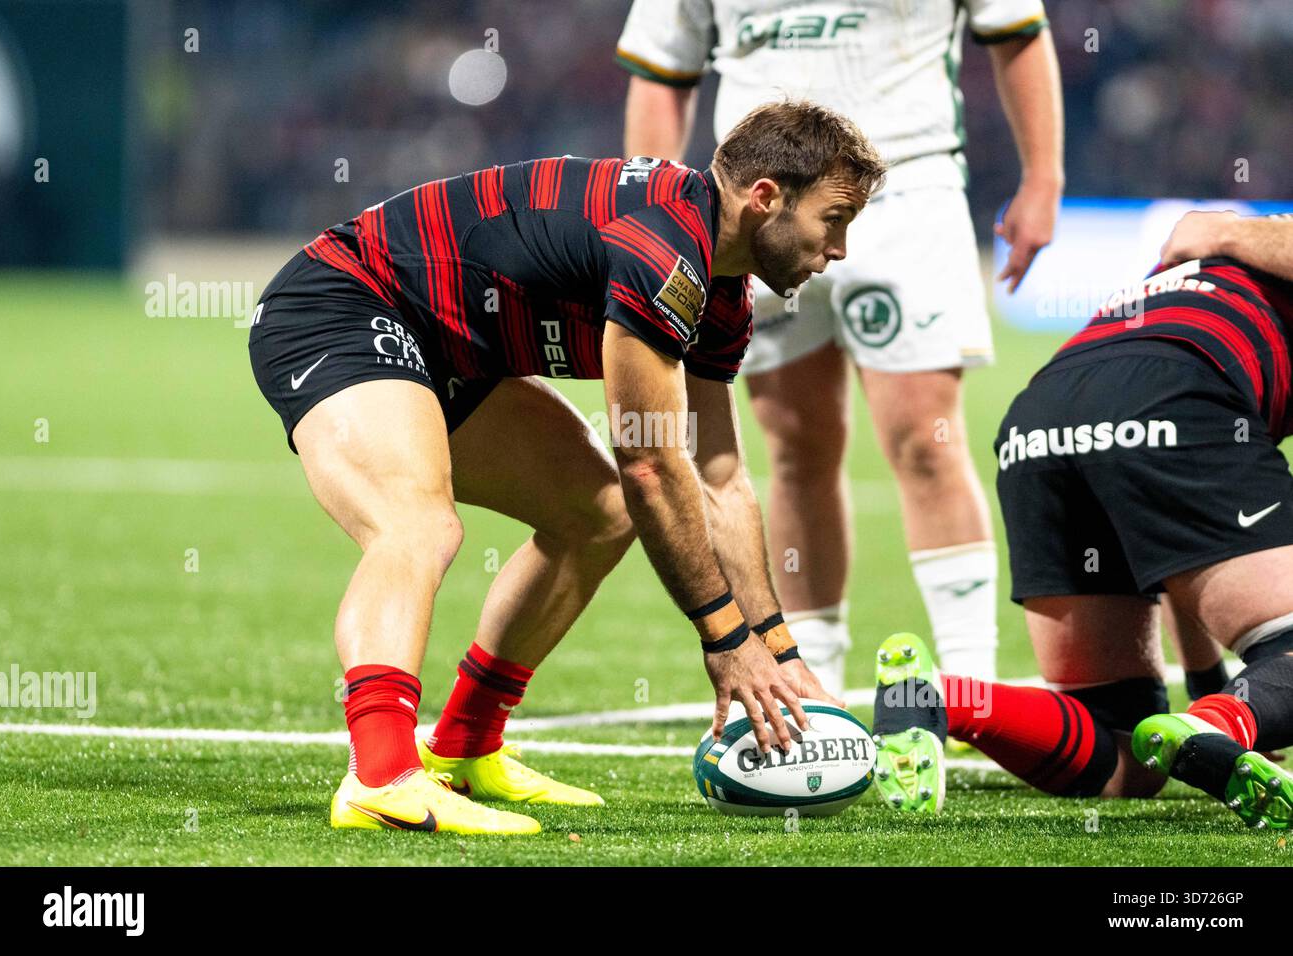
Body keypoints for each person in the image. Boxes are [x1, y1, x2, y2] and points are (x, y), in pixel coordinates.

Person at [248, 100, 885, 833]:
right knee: (416, 525)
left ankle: (462, 746)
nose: (838, 248)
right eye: (833, 219)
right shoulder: (662, 251)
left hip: (445, 349)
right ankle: (382, 775)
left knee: (598, 512)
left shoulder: (721, 293)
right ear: (766, 197)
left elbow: (715, 476)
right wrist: (724, 641)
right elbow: (649, 461)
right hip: (343, 303)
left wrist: (776, 649)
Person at [616, 0, 1064, 694]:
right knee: (794, 444)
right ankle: (811, 679)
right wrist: (658, 219)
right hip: (759, 209)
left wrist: (1044, 176)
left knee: (924, 436)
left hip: (907, 185)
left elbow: (1017, 33)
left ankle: (974, 689)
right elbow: (661, 70)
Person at [869, 211, 1293, 829]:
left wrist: (1208, 687)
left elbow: (1179, 539)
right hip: (1174, 388)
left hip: (1043, 417)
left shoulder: (1218, 276)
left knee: (1125, 751)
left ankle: (940, 698)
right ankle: (1221, 724)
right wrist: (1226, 711)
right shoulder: (1258, 260)